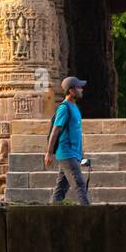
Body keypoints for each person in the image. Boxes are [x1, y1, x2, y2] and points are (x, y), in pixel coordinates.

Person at [45, 76, 90, 205]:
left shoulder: (74, 107)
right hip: (66, 153)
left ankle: (52, 213)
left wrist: (80, 153)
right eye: (79, 87)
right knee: (80, 184)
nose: (82, 89)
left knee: (60, 190)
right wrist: (49, 153)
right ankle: (90, 215)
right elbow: (55, 130)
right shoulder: (64, 108)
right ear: (71, 91)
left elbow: (76, 132)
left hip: (73, 153)